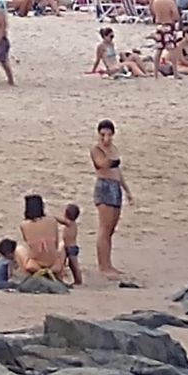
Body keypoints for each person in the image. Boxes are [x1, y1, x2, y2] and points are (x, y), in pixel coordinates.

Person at [90, 120, 128, 280]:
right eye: (103, 134)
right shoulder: (96, 149)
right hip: (104, 186)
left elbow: (118, 172)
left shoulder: (114, 149)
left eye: (109, 134)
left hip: (115, 186)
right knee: (104, 228)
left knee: (111, 229)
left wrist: (127, 190)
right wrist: (110, 156)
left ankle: (109, 263)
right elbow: (101, 165)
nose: (106, 138)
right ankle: (103, 266)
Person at [16, 193, 62, 276]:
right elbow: (56, 244)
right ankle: (59, 276)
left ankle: (28, 277)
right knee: (62, 245)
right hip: (53, 263)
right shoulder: (52, 221)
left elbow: (28, 243)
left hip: (35, 264)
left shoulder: (24, 224)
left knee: (19, 249)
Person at [60, 202, 84, 286]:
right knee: (64, 263)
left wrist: (53, 218)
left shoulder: (70, 223)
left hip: (71, 248)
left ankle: (78, 280)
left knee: (74, 265)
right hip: (67, 247)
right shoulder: (70, 224)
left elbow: (61, 221)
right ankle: (61, 277)